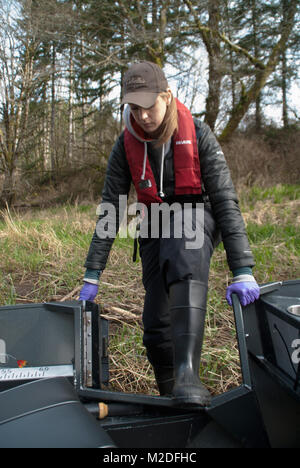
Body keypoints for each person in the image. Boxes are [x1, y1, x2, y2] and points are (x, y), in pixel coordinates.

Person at [79, 61, 260, 407]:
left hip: (195, 220)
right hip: (155, 224)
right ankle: (172, 394)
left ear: (167, 95)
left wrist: (242, 268)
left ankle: (188, 372)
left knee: (184, 229)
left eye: (150, 105)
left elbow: (225, 200)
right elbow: (111, 208)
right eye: (134, 107)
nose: (143, 115)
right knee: (156, 325)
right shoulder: (124, 145)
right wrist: (92, 272)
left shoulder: (200, 134)